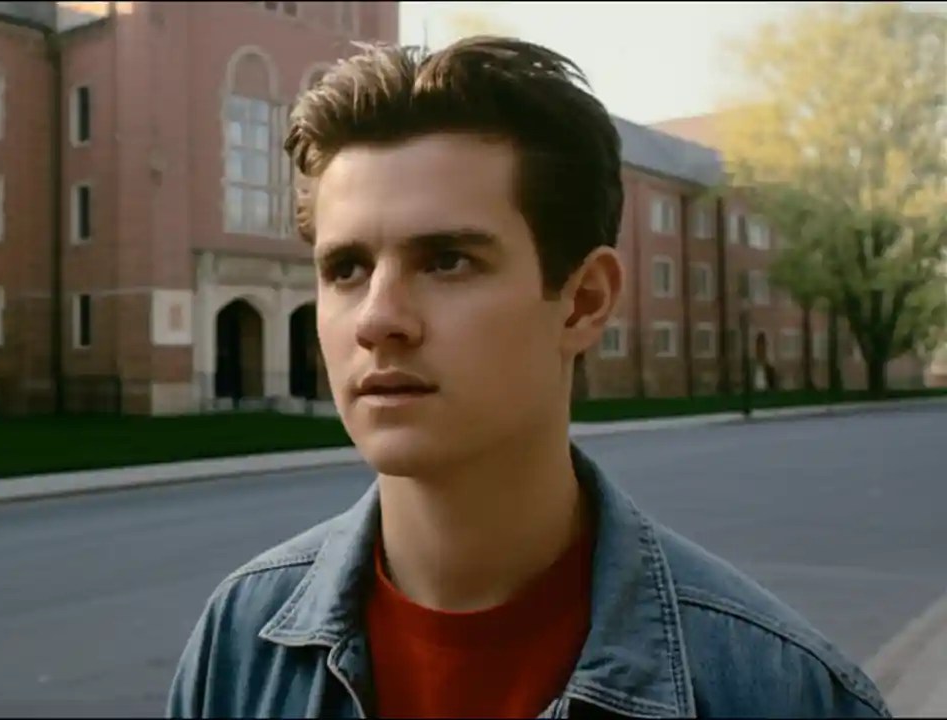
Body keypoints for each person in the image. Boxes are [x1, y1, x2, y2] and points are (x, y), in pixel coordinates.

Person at [167, 36, 890, 719]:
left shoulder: (777, 691)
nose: (378, 319)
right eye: (346, 268)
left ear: (583, 301)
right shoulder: (241, 642)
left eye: (447, 260)